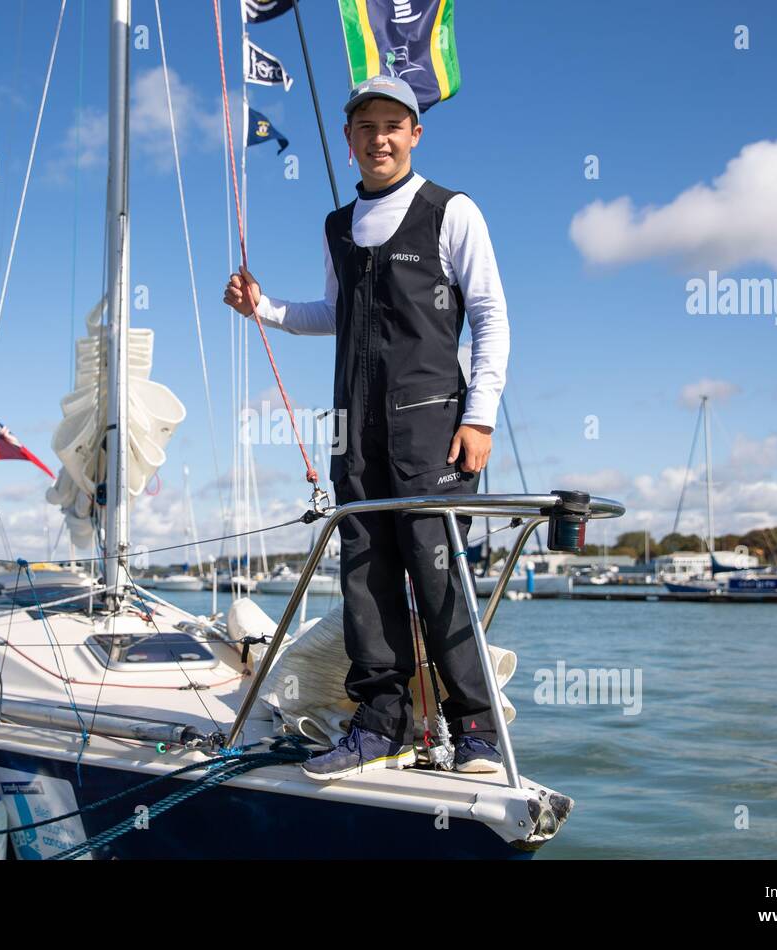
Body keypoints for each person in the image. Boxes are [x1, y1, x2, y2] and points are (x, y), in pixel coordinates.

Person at [223, 75, 510, 781]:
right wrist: (263, 307)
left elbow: (491, 318)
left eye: (393, 125)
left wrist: (480, 417)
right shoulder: (337, 225)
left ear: (414, 135)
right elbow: (332, 313)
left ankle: (476, 730)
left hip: (433, 426)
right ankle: (379, 722)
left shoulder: (451, 211)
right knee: (364, 577)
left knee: (438, 577)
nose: (379, 138)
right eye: (365, 127)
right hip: (353, 430)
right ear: (350, 141)